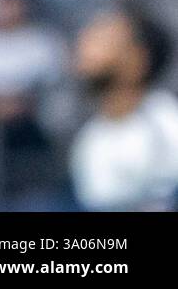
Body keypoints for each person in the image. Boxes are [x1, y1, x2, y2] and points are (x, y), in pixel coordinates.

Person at [70, 11, 178, 210]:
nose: (84, 44)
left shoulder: (168, 122)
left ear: (138, 60)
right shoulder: (89, 138)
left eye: (104, 39)